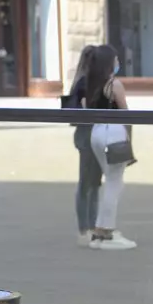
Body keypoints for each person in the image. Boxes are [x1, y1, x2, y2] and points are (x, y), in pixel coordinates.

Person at [74, 45, 136, 250]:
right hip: (113, 132)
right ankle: (105, 231)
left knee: (111, 181)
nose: (118, 62)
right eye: (116, 59)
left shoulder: (91, 83)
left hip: (96, 134)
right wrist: (129, 140)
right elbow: (126, 113)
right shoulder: (114, 84)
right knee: (114, 183)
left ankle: (100, 228)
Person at [62, 45, 102, 247]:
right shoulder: (85, 82)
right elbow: (90, 110)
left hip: (87, 135)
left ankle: (91, 227)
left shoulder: (81, 80)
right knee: (88, 184)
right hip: (88, 136)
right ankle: (85, 228)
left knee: (92, 184)